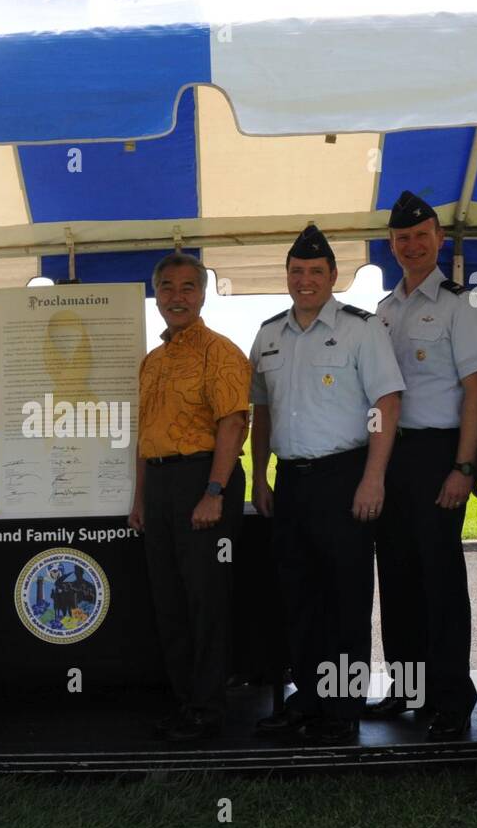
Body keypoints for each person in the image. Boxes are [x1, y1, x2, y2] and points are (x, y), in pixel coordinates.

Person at [249, 227, 405, 744]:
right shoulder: (269, 334)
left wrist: (373, 477)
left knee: (346, 599)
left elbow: (386, 405)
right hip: (291, 481)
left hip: (346, 478)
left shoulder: (362, 329)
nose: (305, 280)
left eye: (316, 272)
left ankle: (343, 708)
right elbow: (262, 411)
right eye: (297, 272)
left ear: (333, 277)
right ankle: (310, 699)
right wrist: (260, 475)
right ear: (287, 276)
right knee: (299, 596)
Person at [366, 190, 477, 740]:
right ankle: (407, 688)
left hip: (437, 452)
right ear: (391, 246)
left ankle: (450, 697)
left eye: (422, 236)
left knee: (439, 579)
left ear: (439, 241)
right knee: (396, 577)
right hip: (389, 456)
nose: (412, 245)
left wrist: (465, 466)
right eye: (402, 238)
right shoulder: (383, 312)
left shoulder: (459, 305)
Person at [129, 252, 249, 742]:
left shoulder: (220, 351)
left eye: (187, 288)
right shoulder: (152, 361)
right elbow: (145, 434)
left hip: (204, 478)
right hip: (159, 486)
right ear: (155, 293)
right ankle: (185, 703)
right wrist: (140, 500)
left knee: (205, 600)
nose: (176, 297)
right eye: (167, 287)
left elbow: (233, 423)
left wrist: (214, 491)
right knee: (169, 600)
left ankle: (208, 709)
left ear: (202, 294)